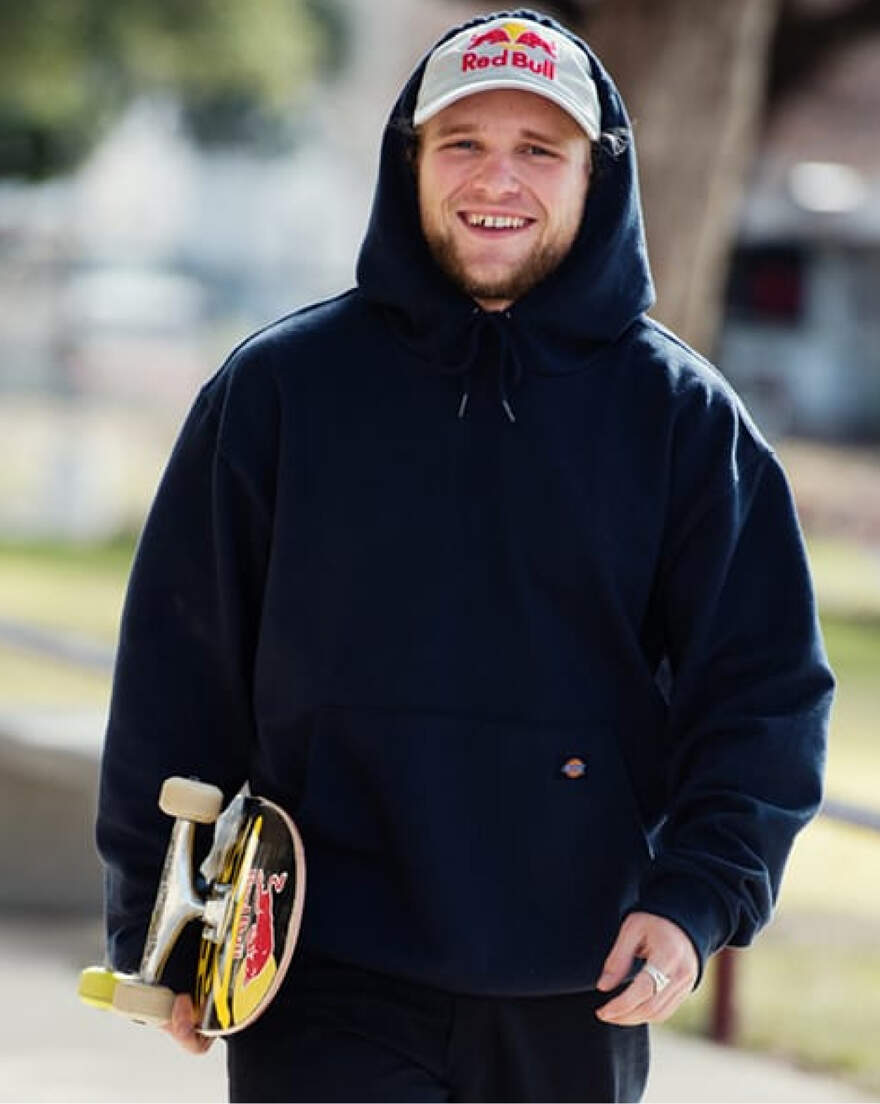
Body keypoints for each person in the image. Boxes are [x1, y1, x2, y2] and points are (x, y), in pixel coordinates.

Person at [95, 9, 834, 1102]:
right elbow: (178, 666)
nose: (499, 179)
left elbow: (763, 696)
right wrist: (162, 929)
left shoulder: (683, 421)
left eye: (540, 150)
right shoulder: (280, 393)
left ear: (597, 175)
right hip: (314, 972)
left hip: (574, 980)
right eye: (464, 144)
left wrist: (696, 901)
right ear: (412, 165)